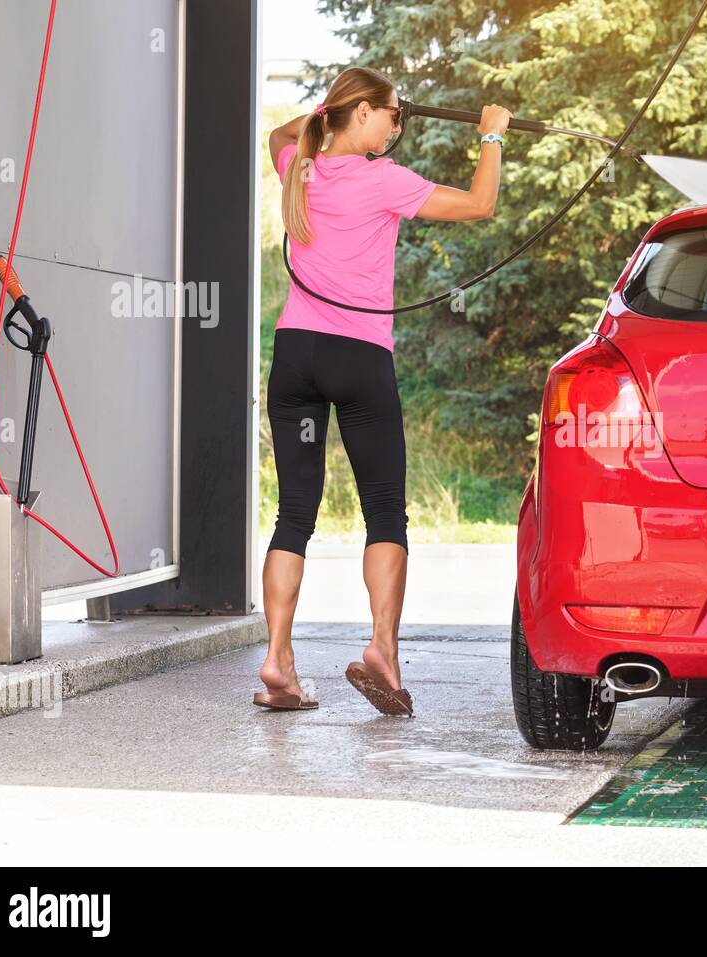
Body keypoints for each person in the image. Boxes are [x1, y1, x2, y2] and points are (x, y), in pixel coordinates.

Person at [254, 66, 511, 716]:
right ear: (361, 112)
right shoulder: (381, 180)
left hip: (295, 355)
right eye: (391, 115)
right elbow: (481, 204)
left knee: (294, 515)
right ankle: (383, 651)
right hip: (358, 357)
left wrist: (329, 114)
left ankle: (277, 662)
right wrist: (492, 137)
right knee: (385, 512)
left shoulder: (300, 165)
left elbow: (282, 132)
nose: (397, 127)